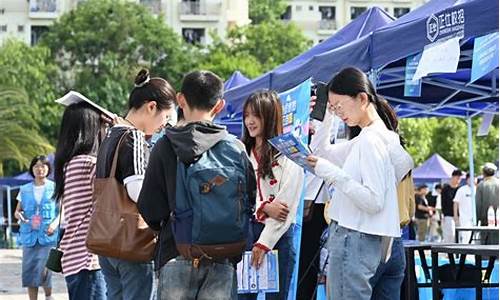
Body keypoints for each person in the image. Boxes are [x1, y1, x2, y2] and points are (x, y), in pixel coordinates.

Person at [137, 70, 256, 300]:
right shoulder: (236, 148)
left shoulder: (165, 146)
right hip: (223, 254)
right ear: (219, 106)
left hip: (176, 250)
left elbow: (149, 207)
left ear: (180, 100)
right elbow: (249, 199)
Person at [306, 67, 413, 299]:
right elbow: (323, 152)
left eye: (339, 106)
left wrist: (330, 173)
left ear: (362, 98)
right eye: (333, 107)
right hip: (384, 242)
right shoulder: (382, 138)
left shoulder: (370, 140)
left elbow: (373, 200)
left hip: (355, 238)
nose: (337, 113)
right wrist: (326, 116)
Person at [95, 68, 177, 299]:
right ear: (151, 107)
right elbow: (138, 192)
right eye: (166, 117)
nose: (165, 125)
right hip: (131, 242)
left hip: (107, 241)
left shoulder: (110, 135)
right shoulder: (134, 137)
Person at [240, 90, 304, 300]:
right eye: (247, 115)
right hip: (246, 234)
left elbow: (284, 209)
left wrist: (264, 242)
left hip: (279, 238)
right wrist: (263, 207)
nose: (250, 121)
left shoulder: (289, 154)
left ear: (269, 116)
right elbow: (235, 195)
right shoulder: (240, 152)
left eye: (256, 115)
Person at [53, 102, 108, 299]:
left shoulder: (70, 164)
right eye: (101, 125)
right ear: (91, 129)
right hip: (88, 260)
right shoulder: (88, 164)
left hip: (74, 257)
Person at [14, 155, 58, 300]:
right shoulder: (24, 189)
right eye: (36, 166)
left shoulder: (54, 187)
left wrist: (54, 224)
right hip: (29, 234)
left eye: (43, 166)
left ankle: (48, 296)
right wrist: (19, 215)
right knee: (29, 270)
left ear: (48, 168)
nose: (40, 169)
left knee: (44, 270)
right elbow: (17, 211)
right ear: (32, 169)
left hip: (47, 234)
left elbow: (63, 211)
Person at [475, 163, 499, 244]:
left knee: (486, 246)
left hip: (485, 220)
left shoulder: (481, 185)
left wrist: (477, 220)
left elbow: (478, 205)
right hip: (498, 220)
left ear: (484, 173)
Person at [441, 169, 462, 243]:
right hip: (448, 214)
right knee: (450, 233)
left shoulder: (460, 189)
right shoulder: (445, 189)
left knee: (459, 234)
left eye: (460, 178)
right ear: (453, 177)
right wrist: (443, 214)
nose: (458, 180)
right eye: (457, 178)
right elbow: (443, 203)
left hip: (459, 215)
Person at [453, 173, 475, 243]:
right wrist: (455, 216)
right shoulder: (461, 190)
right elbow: (456, 202)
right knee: (466, 236)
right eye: (470, 179)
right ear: (467, 180)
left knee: (475, 237)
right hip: (464, 218)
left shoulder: (477, 189)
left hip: (474, 218)